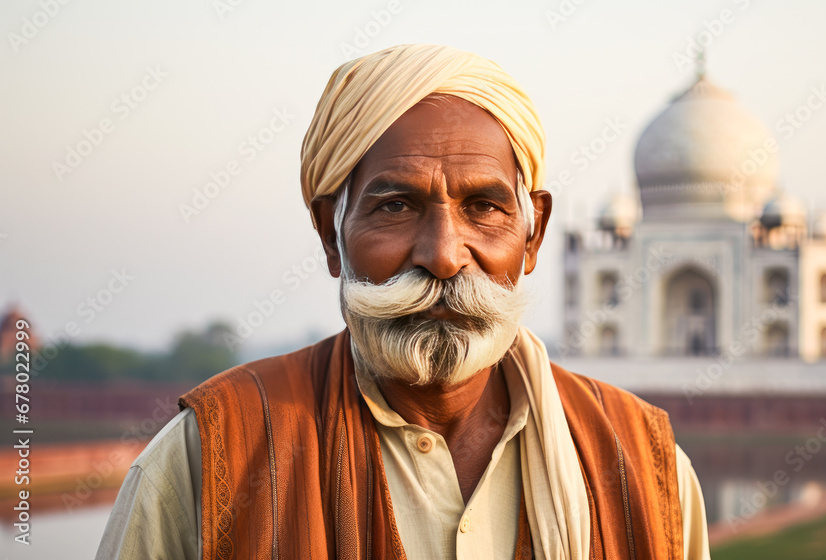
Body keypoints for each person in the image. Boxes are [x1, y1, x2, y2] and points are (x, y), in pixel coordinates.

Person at [97, 43, 711, 560]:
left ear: (533, 236)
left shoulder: (643, 466)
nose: (444, 255)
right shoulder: (212, 457)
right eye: (395, 206)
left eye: (484, 208)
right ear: (329, 236)